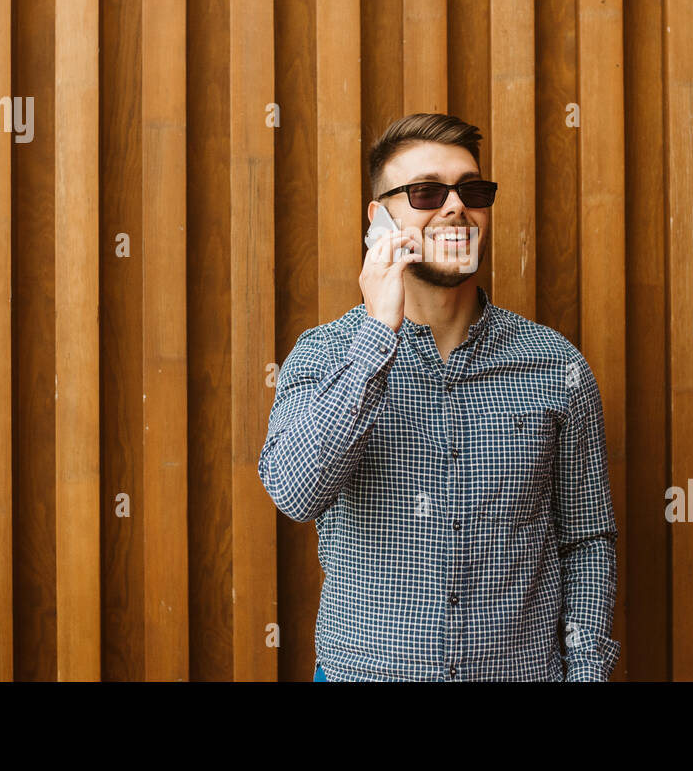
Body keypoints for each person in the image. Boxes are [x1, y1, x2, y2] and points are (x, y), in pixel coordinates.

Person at [260, 113, 620, 681]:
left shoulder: (556, 366)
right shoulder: (326, 354)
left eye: (472, 190)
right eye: (427, 191)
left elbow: (586, 536)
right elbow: (295, 493)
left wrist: (588, 671)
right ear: (378, 220)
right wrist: (378, 337)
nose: (456, 207)